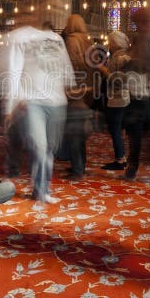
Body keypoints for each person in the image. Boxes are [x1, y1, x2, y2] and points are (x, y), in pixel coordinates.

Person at [0, 11, 75, 203]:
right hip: (33, 101)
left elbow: (65, 67)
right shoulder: (20, 37)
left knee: (50, 149)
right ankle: (40, 190)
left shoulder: (57, 39)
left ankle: (42, 188)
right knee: (39, 147)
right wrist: (9, 105)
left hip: (57, 101)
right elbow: (13, 70)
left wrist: (69, 85)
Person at [122, 9, 150, 181]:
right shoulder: (142, 40)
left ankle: (133, 167)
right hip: (144, 94)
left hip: (140, 94)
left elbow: (143, 67)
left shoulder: (143, 42)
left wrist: (128, 63)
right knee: (143, 133)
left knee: (136, 133)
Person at [62, 14, 95, 180]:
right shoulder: (87, 40)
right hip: (88, 87)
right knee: (80, 131)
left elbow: (71, 64)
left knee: (74, 130)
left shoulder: (71, 40)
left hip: (75, 87)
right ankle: (82, 165)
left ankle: (77, 169)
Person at [101, 31, 130, 171]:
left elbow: (117, 81)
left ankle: (119, 159)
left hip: (117, 98)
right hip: (121, 97)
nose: (109, 45)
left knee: (115, 129)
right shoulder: (122, 56)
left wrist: (103, 70)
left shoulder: (119, 59)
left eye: (110, 42)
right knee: (116, 129)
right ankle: (121, 158)